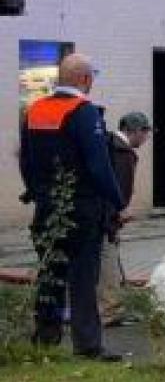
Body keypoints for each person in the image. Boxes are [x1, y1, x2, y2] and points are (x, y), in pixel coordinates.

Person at [18, 53, 124, 360]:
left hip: (47, 208)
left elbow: (25, 160)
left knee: (50, 272)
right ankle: (87, 345)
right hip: (83, 208)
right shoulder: (84, 112)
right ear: (85, 79)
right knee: (82, 277)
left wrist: (38, 193)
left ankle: (46, 337)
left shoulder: (35, 110)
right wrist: (116, 201)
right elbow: (99, 165)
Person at [101, 111, 151, 327]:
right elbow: (116, 188)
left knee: (102, 265)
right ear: (136, 131)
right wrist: (119, 212)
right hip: (105, 219)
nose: (146, 138)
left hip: (97, 214)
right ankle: (109, 312)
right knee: (108, 264)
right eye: (146, 133)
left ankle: (104, 309)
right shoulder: (122, 153)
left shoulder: (108, 145)